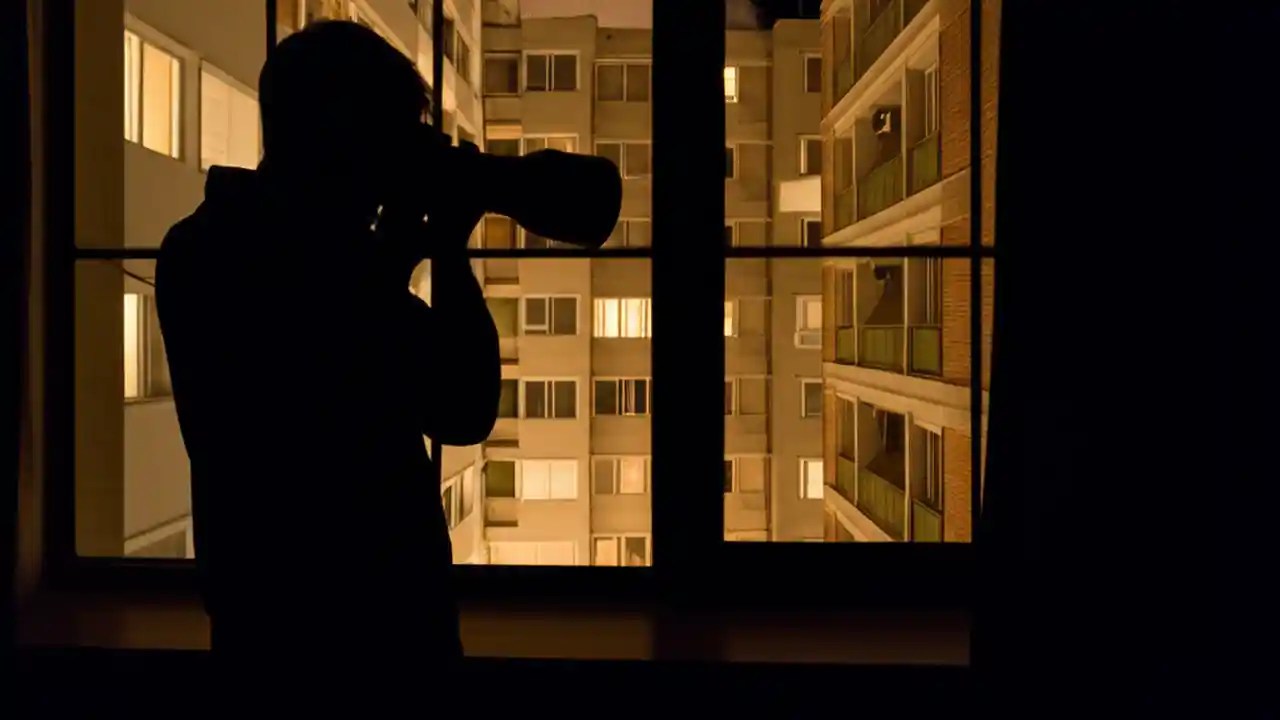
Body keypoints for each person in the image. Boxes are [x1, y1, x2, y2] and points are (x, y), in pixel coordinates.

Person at [155, 20, 500, 699]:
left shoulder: (213, 246)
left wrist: (417, 245)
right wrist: (430, 249)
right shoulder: (266, 257)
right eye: (389, 137)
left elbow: (441, 396)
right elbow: (452, 402)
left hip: (285, 630)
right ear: (337, 132)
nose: (395, 164)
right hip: (343, 633)